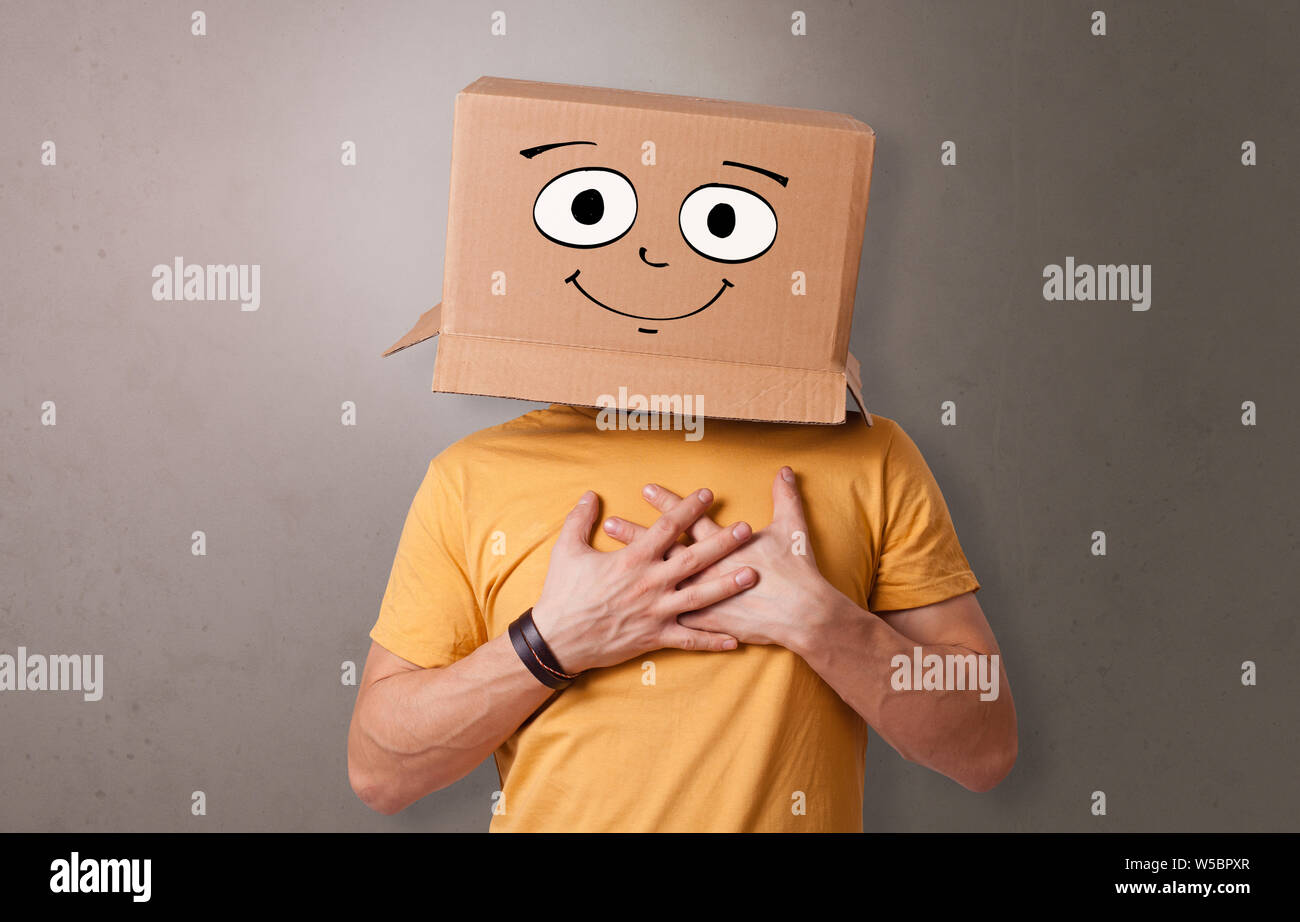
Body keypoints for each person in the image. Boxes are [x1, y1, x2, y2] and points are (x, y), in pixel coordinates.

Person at [346, 403, 1017, 832]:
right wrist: (551, 642)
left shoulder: (870, 454)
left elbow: (985, 746)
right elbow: (381, 772)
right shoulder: (473, 475)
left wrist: (819, 622)